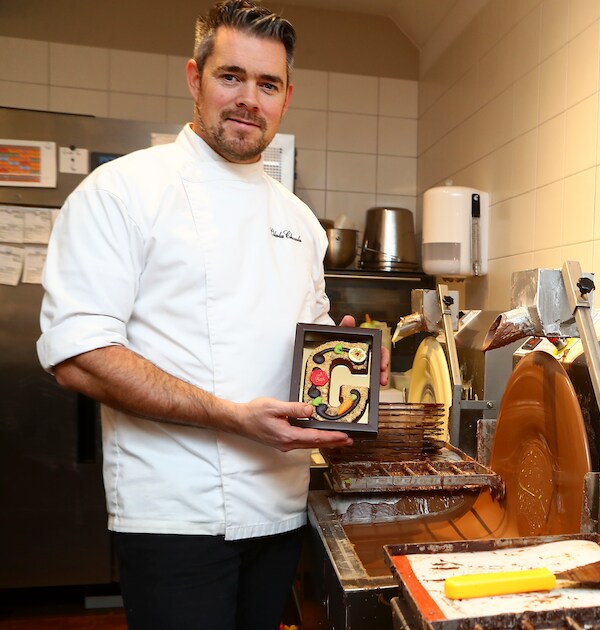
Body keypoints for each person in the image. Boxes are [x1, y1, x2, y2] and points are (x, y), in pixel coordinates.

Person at [36, 2, 384, 628]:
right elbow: (79, 356)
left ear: (286, 96)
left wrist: (346, 370)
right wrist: (232, 418)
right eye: (232, 77)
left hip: (281, 506)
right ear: (194, 79)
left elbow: (306, 345)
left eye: (268, 84)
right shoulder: (123, 192)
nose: (249, 99)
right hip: (175, 513)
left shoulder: (299, 220)